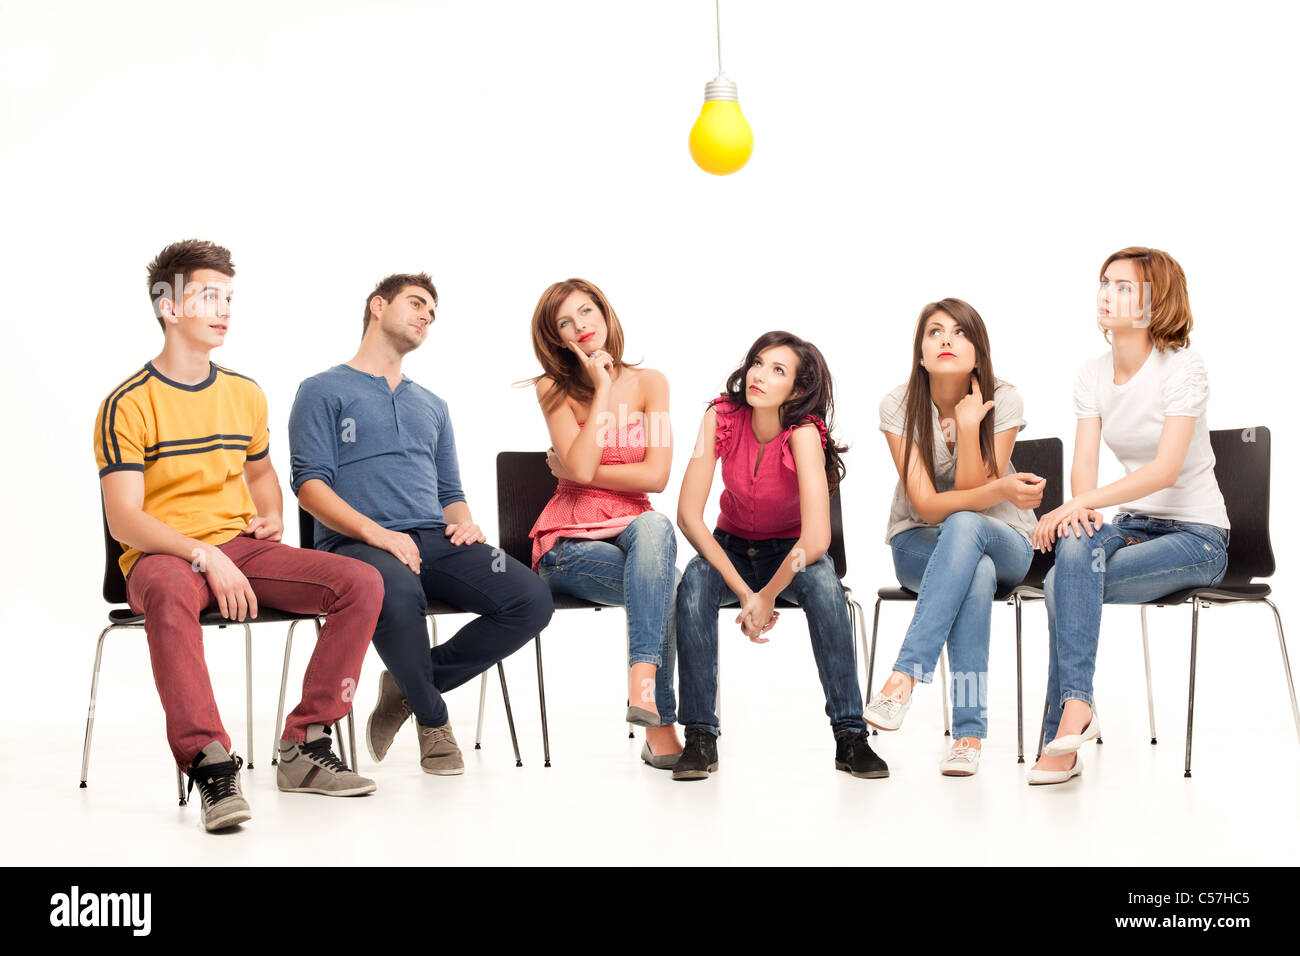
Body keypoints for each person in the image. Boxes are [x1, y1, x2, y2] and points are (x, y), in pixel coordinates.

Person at [95, 239, 382, 833]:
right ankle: (209, 762)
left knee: (361, 580)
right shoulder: (127, 403)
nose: (223, 308)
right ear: (168, 307)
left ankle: (304, 744)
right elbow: (124, 518)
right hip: (160, 555)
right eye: (207, 296)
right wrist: (201, 554)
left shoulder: (245, 393)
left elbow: (260, 474)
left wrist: (271, 513)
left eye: (228, 297)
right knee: (173, 593)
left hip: (242, 549)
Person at [289, 272, 554, 777]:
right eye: (416, 304)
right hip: (355, 545)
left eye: (431, 313)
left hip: (435, 538)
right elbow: (309, 487)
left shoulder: (432, 405)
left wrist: (467, 525)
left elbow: (450, 494)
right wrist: (379, 534)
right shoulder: (322, 390)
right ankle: (433, 719)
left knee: (531, 599)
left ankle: (408, 684)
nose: (425, 316)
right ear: (376, 305)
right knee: (396, 588)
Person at [1027, 247, 1230, 785]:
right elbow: (1085, 473)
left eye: (1123, 286)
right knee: (1075, 550)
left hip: (1198, 536)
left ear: (1154, 301)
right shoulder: (1091, 374)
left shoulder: (1183, 367)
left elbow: (1165, 471)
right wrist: (1078, 513)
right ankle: (1078, 712)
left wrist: (1077, 507)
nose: (1106, 294)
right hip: (1134, 526)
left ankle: (1062, 734)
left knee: (1064, 584)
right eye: (1105, 282)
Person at [672, 330, 887, 781]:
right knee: (691, 585)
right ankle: (699, 735)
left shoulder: (804, 433)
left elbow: (815, 541)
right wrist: (745, 591)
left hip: (792, 554)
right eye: (757, 362)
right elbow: (689, 516)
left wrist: (767, 595)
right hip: (730, 547)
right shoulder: (719, 416)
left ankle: (850, 735)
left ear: (797, 388)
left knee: (827, 588)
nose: (760, 375)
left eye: (778, 370)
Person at [865, 298, 1043, 775]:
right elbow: (925, 506)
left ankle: (903, 677)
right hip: (918, 542)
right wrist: (998, 486)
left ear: (978, 351)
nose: (946, 339)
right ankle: (968, 734)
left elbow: (973, 501)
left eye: (960, 332)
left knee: (968, 528)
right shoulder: (898, 405)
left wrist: (969, 428)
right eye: (934, 332)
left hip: (1006, 539)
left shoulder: (1004, 399)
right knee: (974, 570)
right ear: (920, 353)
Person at [525, 279, 683, 768]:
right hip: (568, 542)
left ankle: (642, 682)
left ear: (606, 313)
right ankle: (660, 726)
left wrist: (580, 468)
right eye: (566, 323)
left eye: (587, 311)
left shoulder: (652, 383)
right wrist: (604, 389)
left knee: (657, 530)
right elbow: (580, 468)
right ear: (558, 339)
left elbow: (654, 477)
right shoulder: (551, 387)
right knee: (669, 587)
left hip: (635, 527)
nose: (581, 326)